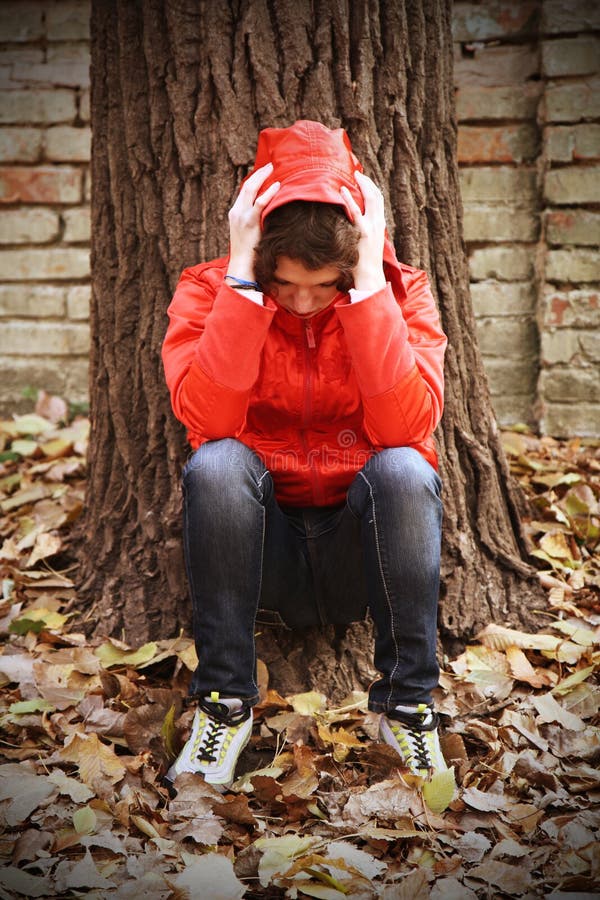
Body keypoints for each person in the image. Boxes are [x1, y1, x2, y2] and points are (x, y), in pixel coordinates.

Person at [161, 120, 448, 789]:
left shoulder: (401, 294)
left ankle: (408, 707)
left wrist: (371, 291)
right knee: (218, 464)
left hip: (362, 552)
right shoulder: (209, 291)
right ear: (257, 249)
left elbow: (408, 425)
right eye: (285, 283)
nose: (303, 302)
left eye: (325, 286)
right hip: (261, 558)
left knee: (406, 467)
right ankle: (225, 704)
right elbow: (207, 419)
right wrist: (242, 287)